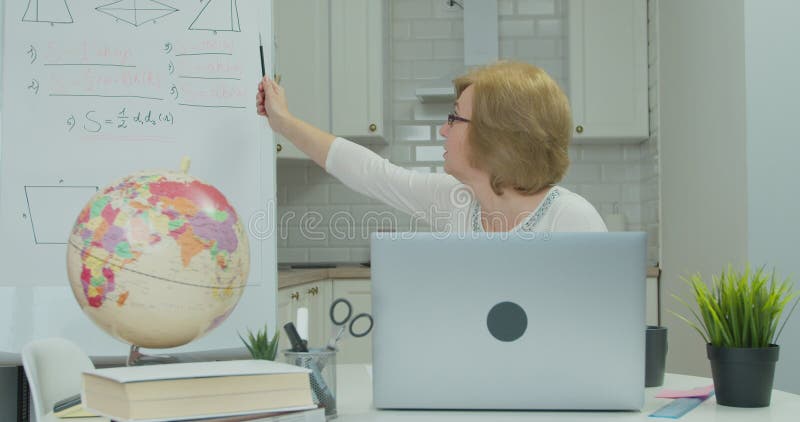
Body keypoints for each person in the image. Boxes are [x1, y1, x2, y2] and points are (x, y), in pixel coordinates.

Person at [256, 60, 606, 233]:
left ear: (497, 135)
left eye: (454, 118)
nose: (443, 129)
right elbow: (370, 173)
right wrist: (283, 121)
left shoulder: (571, 218)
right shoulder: (456, 200)